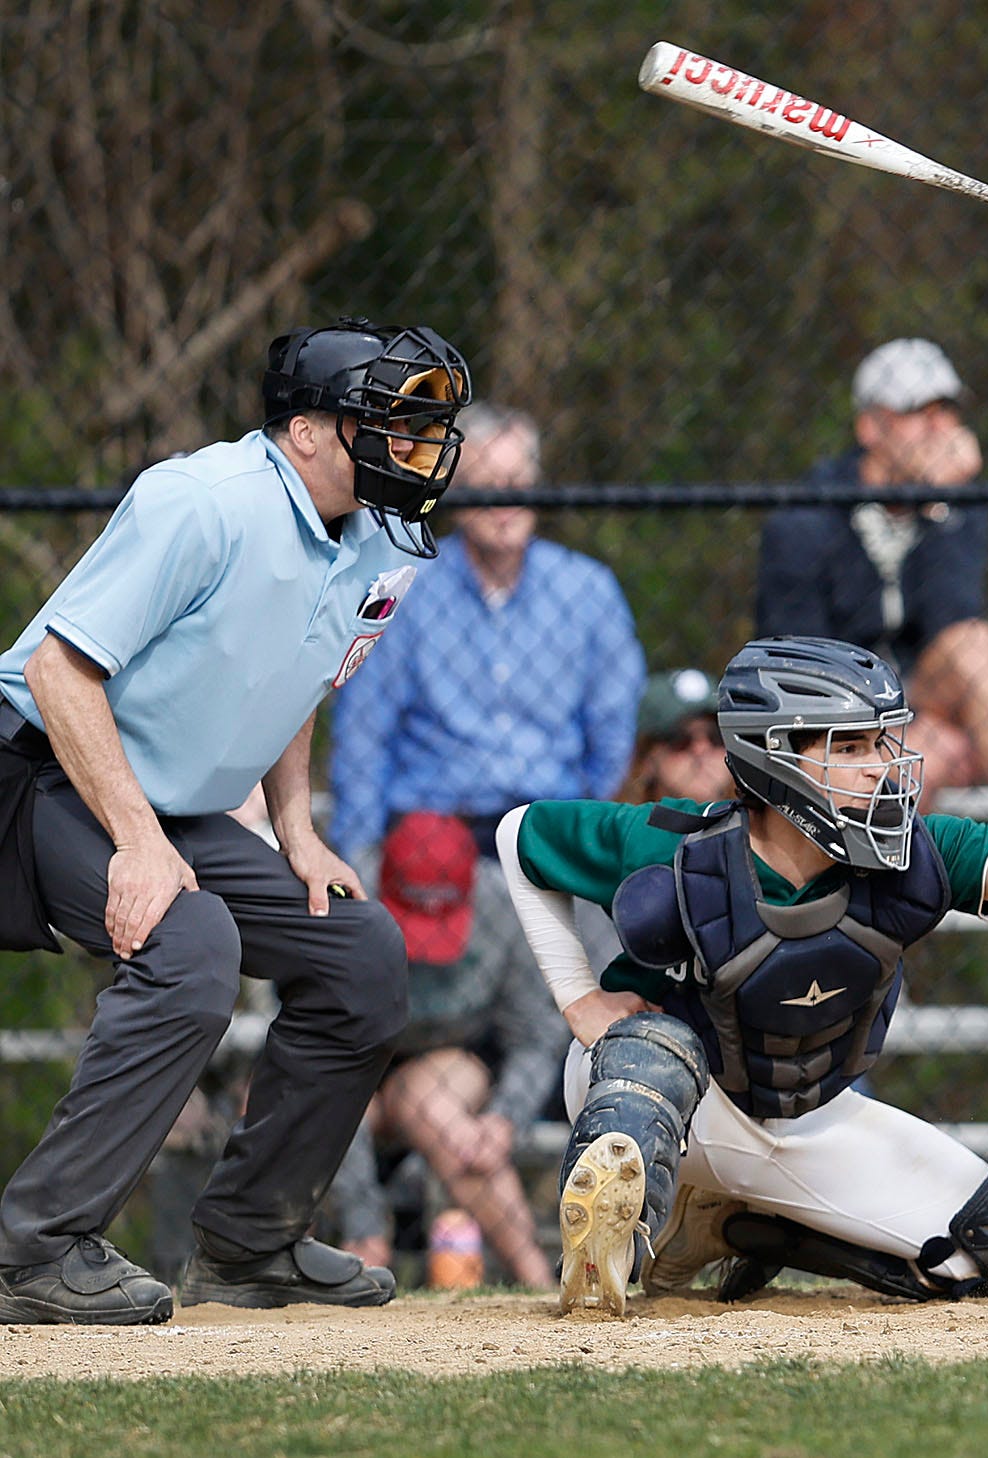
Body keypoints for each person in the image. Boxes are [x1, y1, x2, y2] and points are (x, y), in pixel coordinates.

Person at [496, 635, 988, 1317]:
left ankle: (733, 1227)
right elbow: (519, 833)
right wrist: (578, 1000)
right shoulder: (679, 847)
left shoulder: (911, 854)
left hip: (805, 1116)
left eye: (884, 740)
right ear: (774, 754)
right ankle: (608, 1269)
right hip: (664, 1099)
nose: (884, 763)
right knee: (654, 1046)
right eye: (850, 746)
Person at [0, 318, 472, 1323]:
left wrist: (295, 826)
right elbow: (59, 669)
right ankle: (32, 1253)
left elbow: (297, 673)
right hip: (36, 769)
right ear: (306, 432)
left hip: (162, 798)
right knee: (192, 945)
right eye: (386, 423)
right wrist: (137, 841)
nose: (414, 449)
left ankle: (249, 1247)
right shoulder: (204, 503)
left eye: (423, 429)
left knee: (358, 952)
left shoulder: (384, 538)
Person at [755, 339, 988, 834]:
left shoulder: (954, 505)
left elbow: (953, 614)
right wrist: (896, 728)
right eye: (917, 414)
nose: (940, 429)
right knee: (939, 750)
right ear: (870, 428)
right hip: (838, 720)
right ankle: (862, 879)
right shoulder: (805, 523)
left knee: (972, 644)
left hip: (921, 698)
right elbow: (800, 669)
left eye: (946, 412)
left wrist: (939, 505)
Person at [329, 401, 645, 861]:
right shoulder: (407, 587)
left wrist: (585, 820)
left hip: (549, 827)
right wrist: (357, 853)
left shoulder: (588, 591)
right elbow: (364, 728)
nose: (503, 505)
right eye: (484, 488)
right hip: (431, 832)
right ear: (453, 495)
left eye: (516, 485)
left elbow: (614, 728)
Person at [327, 811, 566, 1289]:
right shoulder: (344, 897)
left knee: (436, 1109)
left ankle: (540, 1286)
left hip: (450, 1061)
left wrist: (504, 1119)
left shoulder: (502, 904)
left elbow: (536, 1038)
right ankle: (355, 1260)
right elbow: (321, 1059)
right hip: (350, 1064)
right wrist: (364, 1218)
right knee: (315, 1109)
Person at [618, 668, 734, 806]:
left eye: (716, 736)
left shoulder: (757, 823)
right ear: (647, 756)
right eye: (680, 739)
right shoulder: (617, 824)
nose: (701, 748)